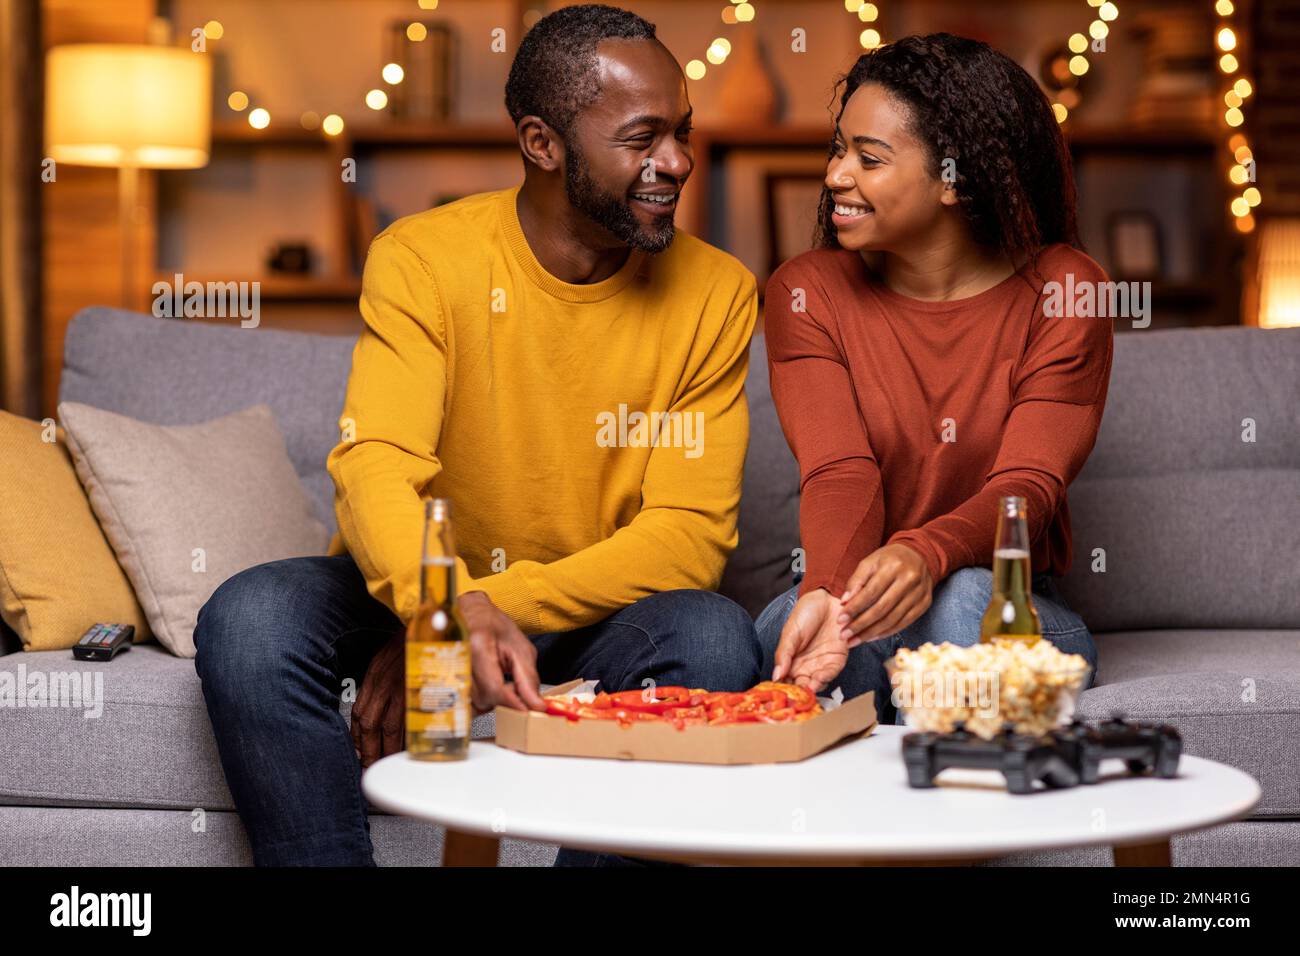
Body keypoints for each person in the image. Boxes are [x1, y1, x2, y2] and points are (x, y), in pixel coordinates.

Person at [193, 4, 761, 867]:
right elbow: (377, 462)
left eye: (681, 132)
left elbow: (690, 539)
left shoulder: (716, 292)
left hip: (588, 609)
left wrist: (484, 618)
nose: (677, 162)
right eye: (644, 137)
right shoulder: (424, 259)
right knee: (249, 619)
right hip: (425, 586)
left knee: (716, 637)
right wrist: (443, 604)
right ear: (542, 142)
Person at [756, 34, 1113, 722]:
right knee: (788, 627)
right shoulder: (807, 290)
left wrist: (925, 553)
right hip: (859, 581)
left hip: (999, 593)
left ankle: (950, 804)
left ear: (953, 177)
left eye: (869, 158)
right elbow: (839, 469)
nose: (835, 175)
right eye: (838, 149)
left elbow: (1026, 488)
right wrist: (829, 590)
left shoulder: (1067, 289)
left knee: (960, 605)